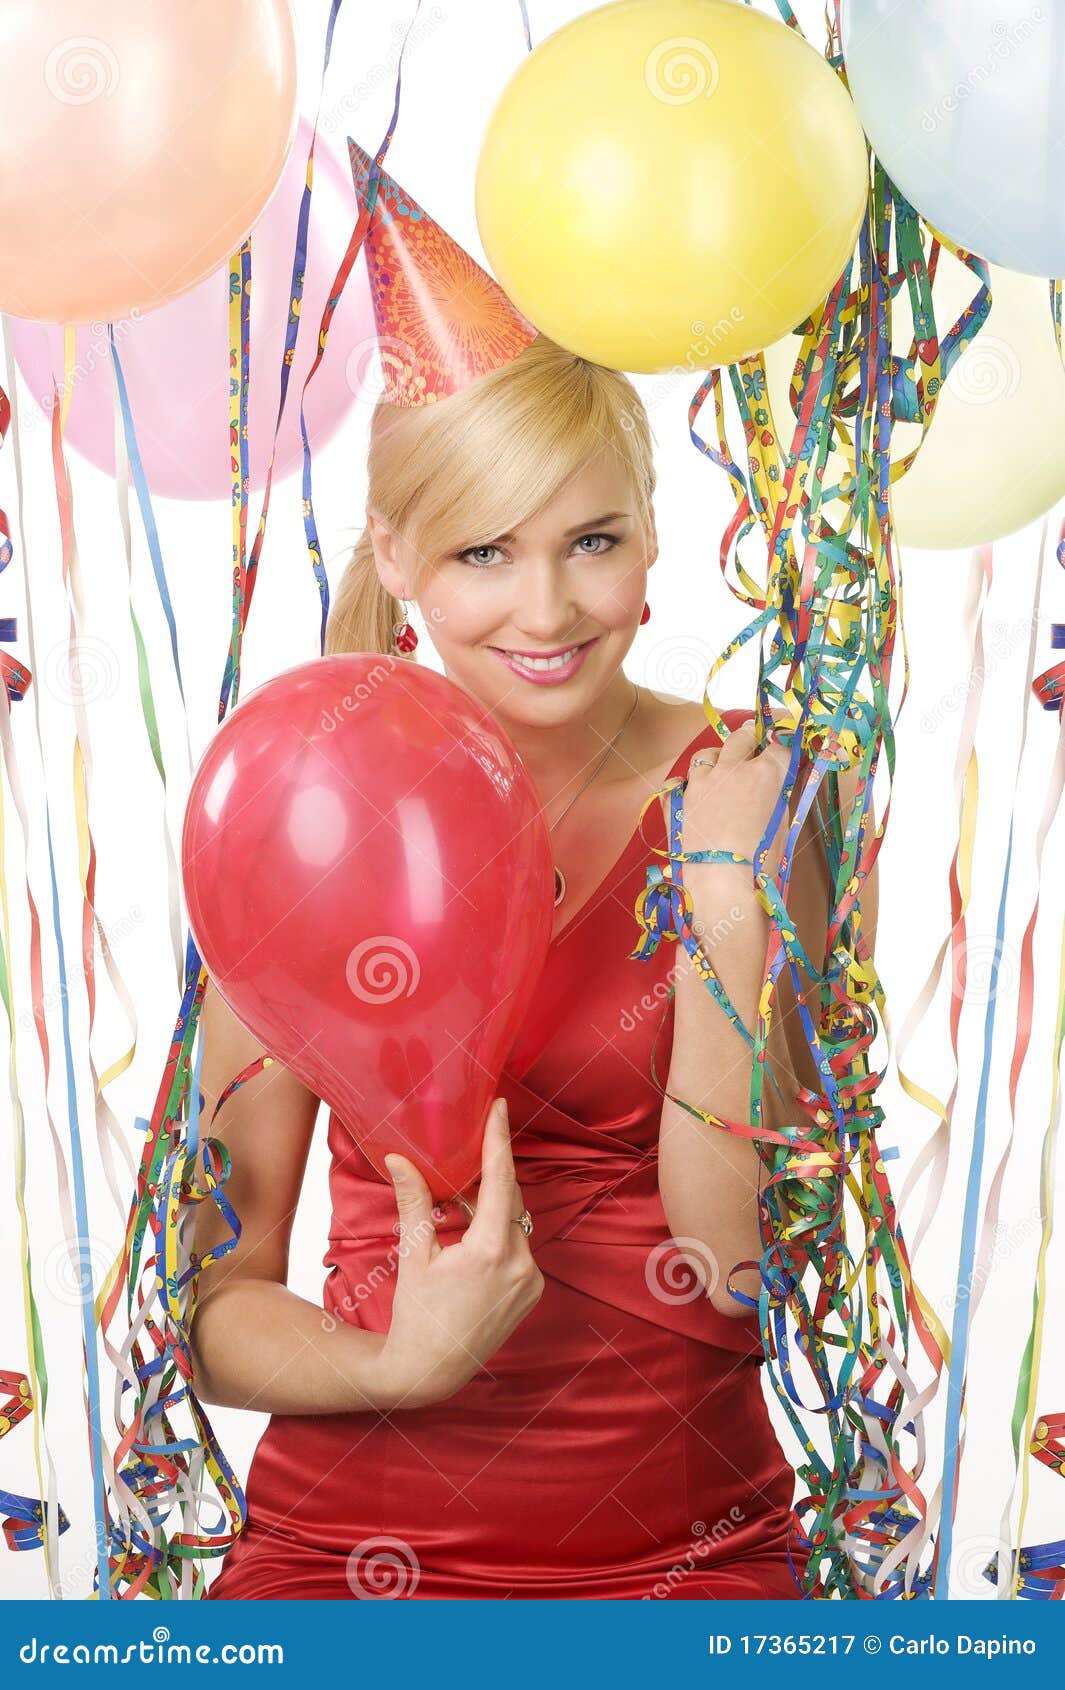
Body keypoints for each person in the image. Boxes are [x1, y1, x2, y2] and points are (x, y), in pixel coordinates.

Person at [192, 144, 876, 1600]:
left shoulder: (755, 791)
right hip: (342, 1552)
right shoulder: (300, 805)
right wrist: (397, 1363)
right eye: (484, 553)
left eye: (592, 542)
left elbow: (736, 1267)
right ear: (397, 555)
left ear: (653, 539)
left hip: (690, 1553)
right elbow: (218, 1303)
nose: (549, 609)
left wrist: (728, 914)